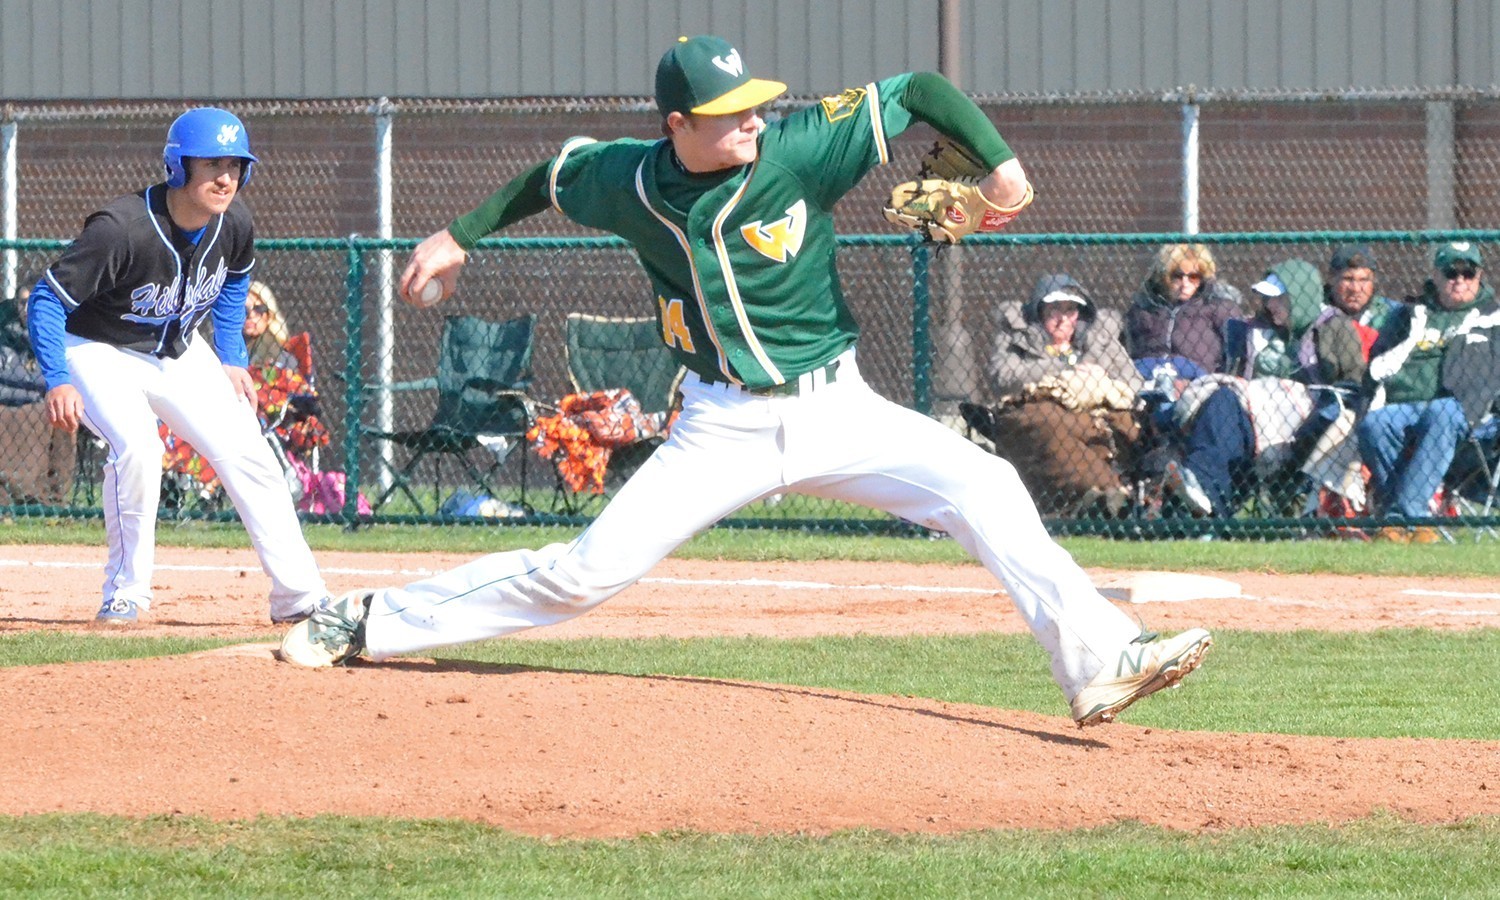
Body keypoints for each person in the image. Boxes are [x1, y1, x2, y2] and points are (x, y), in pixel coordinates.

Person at [279, 34, 1212, 727]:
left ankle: (1101, 661)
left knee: (987, 486)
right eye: (732, 112)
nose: (755, 119)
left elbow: (920, 90)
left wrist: (1002, 173)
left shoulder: (801, 151)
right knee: (580, 577)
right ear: (677, 126)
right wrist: (458, 235)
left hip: (839, 408)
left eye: (758, 103)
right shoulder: (628, 180)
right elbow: (552, 175)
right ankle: (364, 621)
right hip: (719, 427)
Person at [26, 107, 331, 625]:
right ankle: (125, 593)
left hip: (177, 350)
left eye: (235, 165)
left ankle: (298, 597)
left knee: (250, 453)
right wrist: (57, 377)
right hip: (95, 348)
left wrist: (232, 356)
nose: (226, 177)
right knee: (139, 447)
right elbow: (47, 299)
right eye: (212, 164)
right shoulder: (121, 229)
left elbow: (235, 280)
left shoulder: (235, 222)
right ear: (177, 166)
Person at [966, 273, 1142, 515]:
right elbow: (1002, 376)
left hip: (1094, 410)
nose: (1063, 319)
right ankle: (1112, 491)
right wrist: (1064, 370)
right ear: (1040, 311)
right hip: (1042, 413)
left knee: (1128, 427)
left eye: (1070, 310)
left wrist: (1098, 376)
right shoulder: (1016, 334)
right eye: (1054, 310)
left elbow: (1134, 380)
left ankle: (1143, 493)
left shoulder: (1100, 339)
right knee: (1050, 424)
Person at [1358, 241, 1500, 536]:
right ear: (1435, 275)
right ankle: (1402, 515)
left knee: (1441, 411)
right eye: (1451, 272)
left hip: (1473, 415)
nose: (1459, 280)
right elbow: (1378, 360)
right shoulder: (1408, 315)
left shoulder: (1493, 319)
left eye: (1468, 273)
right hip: (1406, 407)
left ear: (1479, 275)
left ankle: (1404, 518)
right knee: (1375, 423)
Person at [1161, 260, 1322, 517]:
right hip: (1251, 409)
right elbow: (1239, 378)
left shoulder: (1326, 330)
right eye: (1267, 298)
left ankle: (1198, 498)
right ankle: (1199, 494)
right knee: (1221, 405)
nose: (1270, 305)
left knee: (1223, 410)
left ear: (1299, 300)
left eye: (1279, 299)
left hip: (1299, 417)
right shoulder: (1254, 332)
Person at [1124, 243, 1243, 391]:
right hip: (1147, 377)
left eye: (1193, 277)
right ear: (1164, 277)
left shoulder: (1218, 307)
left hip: (1198, 383)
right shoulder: (1145, 307)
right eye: (1177, 276)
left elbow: (1237, 355)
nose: (1185, 284)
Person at [242, 280, 290, 368]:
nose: (251, 315)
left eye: (258, 309)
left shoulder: (277, 352)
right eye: (244, 309)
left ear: (269, 316)